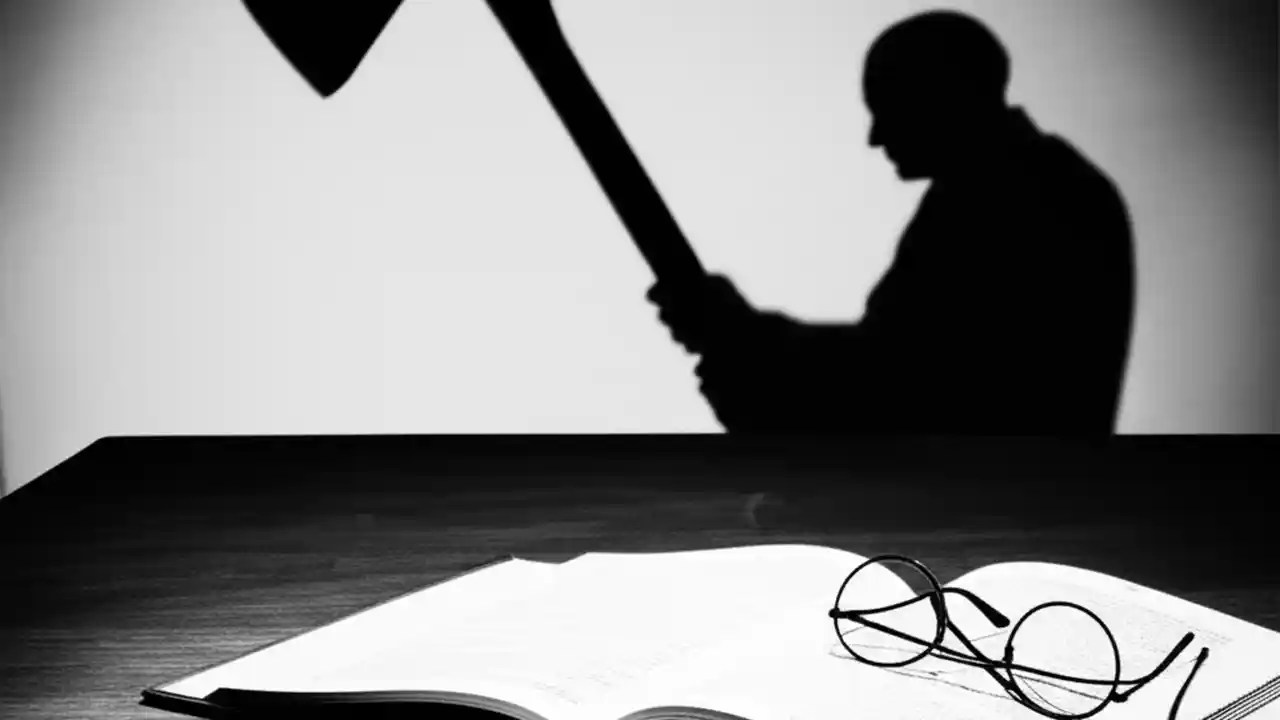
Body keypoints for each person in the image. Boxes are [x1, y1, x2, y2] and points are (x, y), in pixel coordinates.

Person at [648, 10, 1135, 434]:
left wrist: (745, 337)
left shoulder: (1014, 193)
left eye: (887, 108)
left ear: (944, 94)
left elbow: (902, 381)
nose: (875, 137)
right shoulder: (1028, 184)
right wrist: (746, 344)